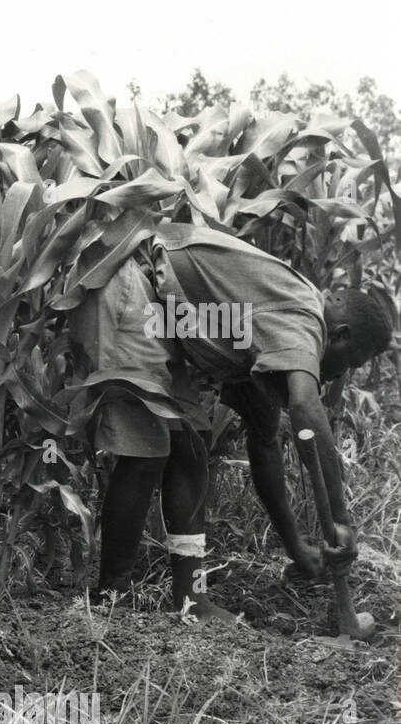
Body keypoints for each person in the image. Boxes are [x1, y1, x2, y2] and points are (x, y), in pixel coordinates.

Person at [70, 225, 393, 618]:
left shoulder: (274, 334)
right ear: (339, 336)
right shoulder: (306, 320)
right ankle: (110, 603)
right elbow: (307, 410)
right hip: (129, 281)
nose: (339, 377)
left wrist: (296, 546)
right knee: (147, 450)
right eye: (349, 365)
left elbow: (265, 443)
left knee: (191, 444)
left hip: (162, 316)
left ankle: (193, 601)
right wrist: (340, 520)